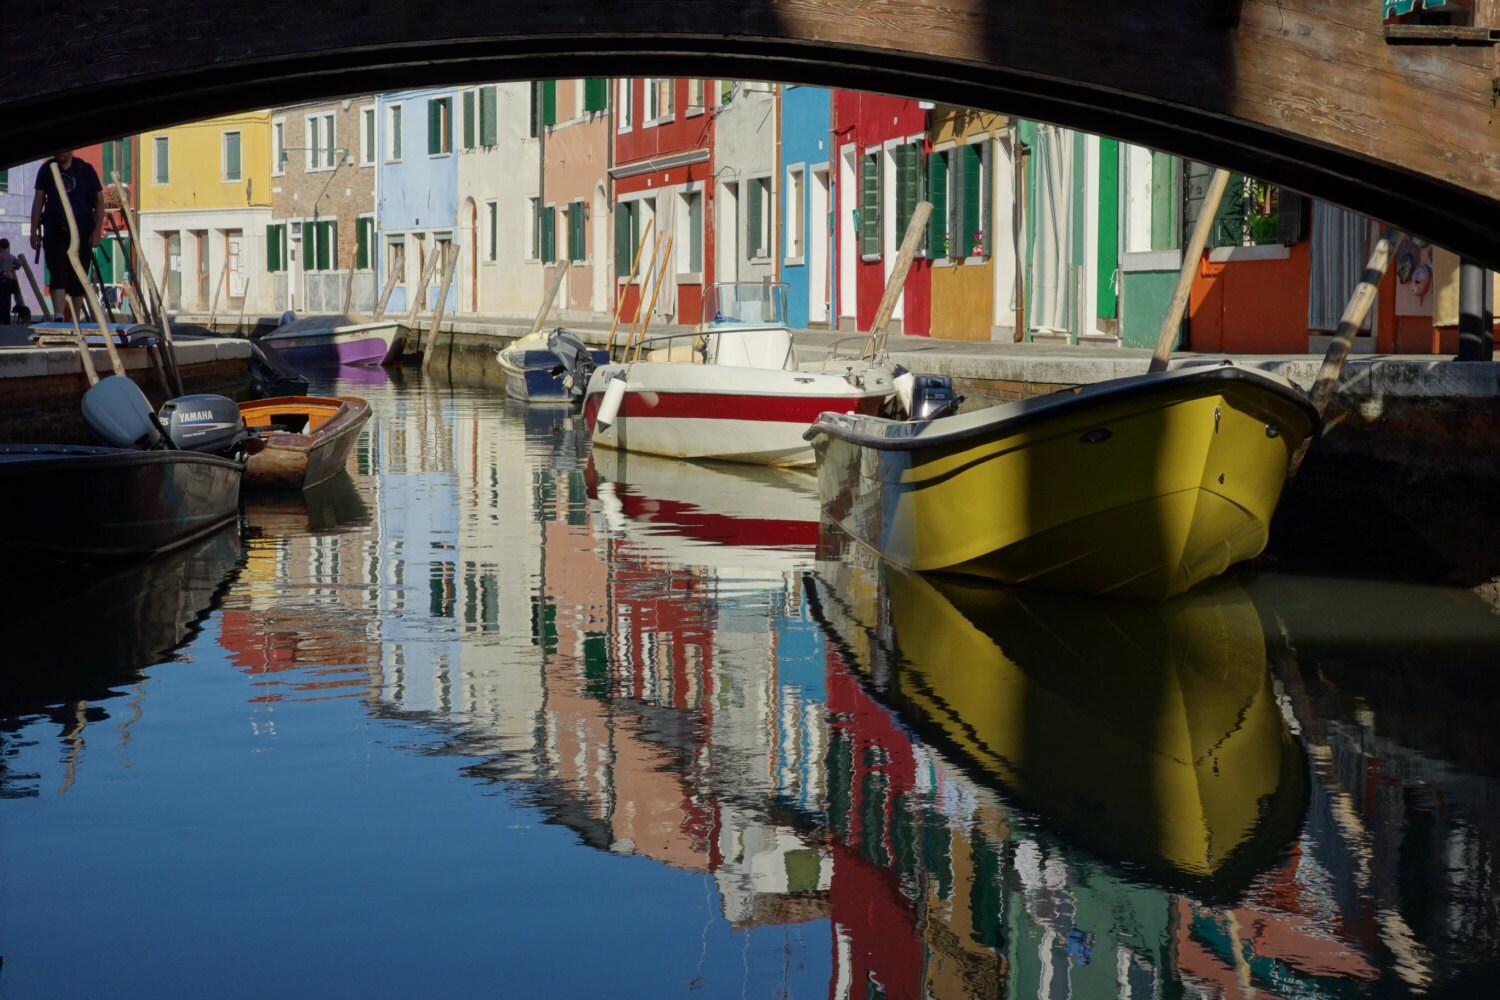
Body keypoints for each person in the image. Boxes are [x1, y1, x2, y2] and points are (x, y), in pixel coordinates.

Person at [30, 150, 103, 322]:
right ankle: (59, 316)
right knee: (57, 273)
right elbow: (38, 199)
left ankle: (76, 318)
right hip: (54, 229)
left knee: (79, 276)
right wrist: (33, 231)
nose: (60, 154)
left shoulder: (85, 169)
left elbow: (100, 201)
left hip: (82, 229)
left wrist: (97, 231)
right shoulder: (47, 169)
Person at [0, 238, 20, 323]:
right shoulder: (11, 256)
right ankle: (6, 320)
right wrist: (13, 268)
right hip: (9, 280)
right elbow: (19, 264)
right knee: (7, 300)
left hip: (1, 279)